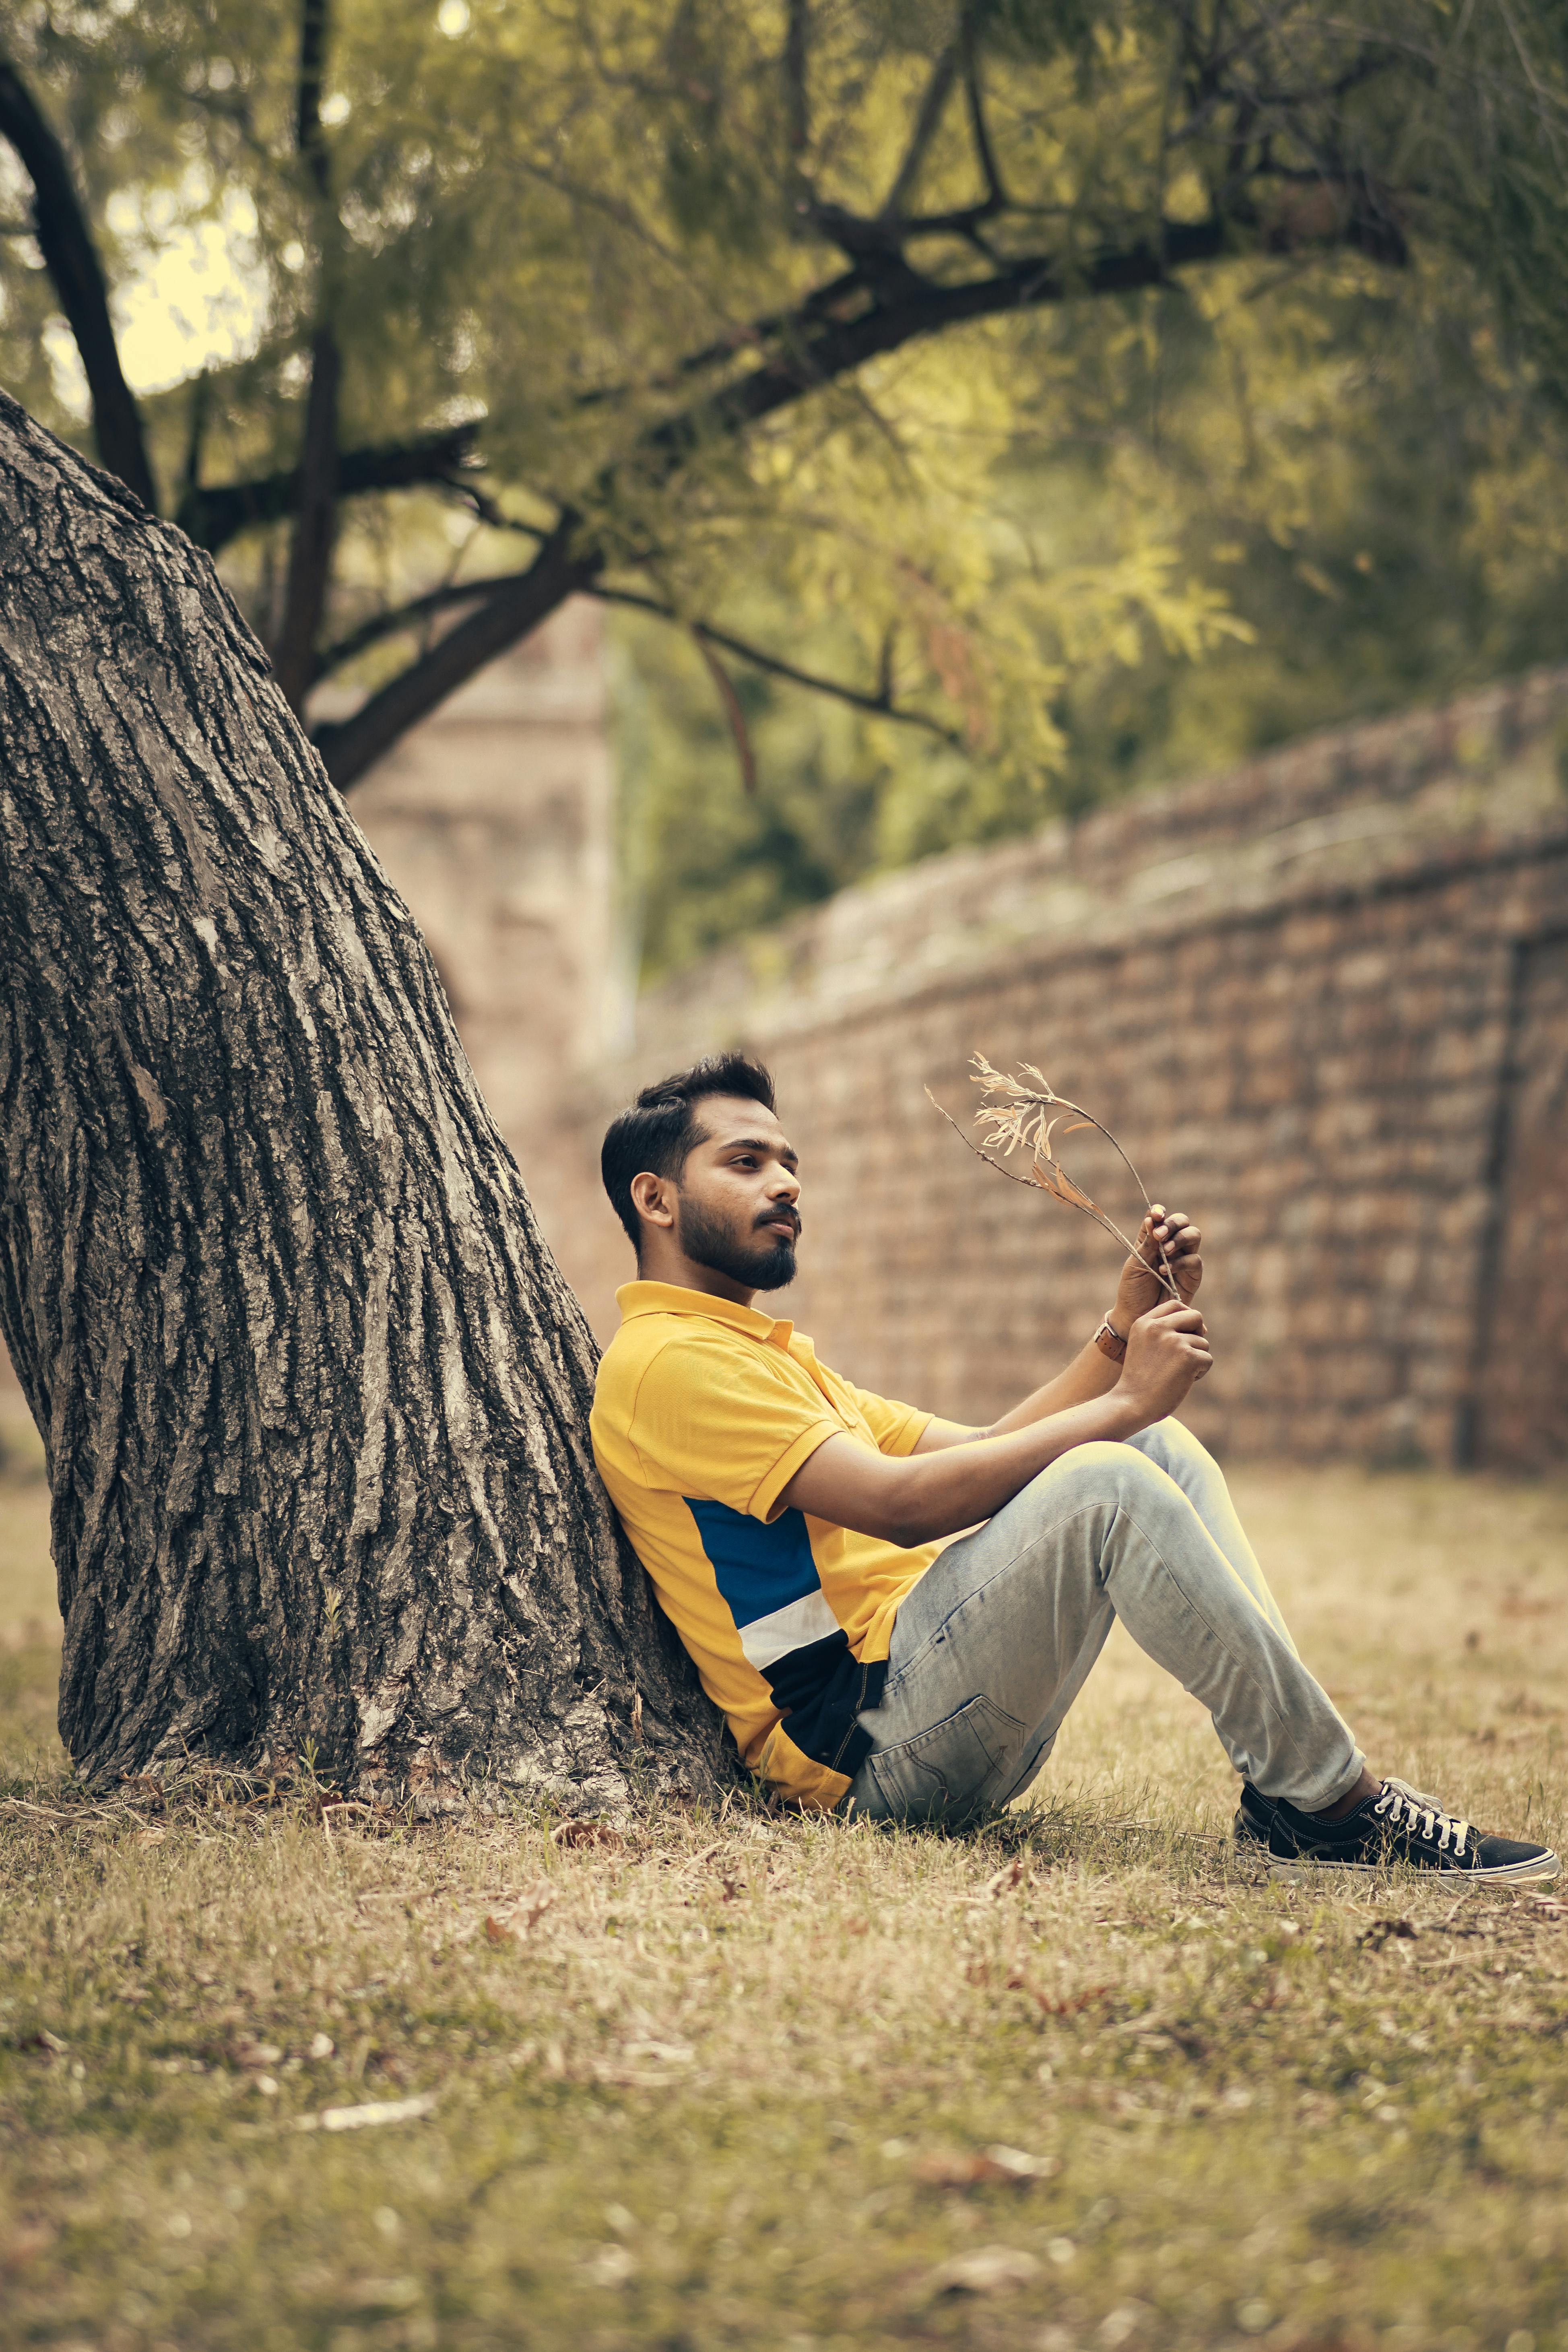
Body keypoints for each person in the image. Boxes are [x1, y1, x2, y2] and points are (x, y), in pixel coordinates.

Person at [589, 1053, 1558, 1883]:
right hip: (862, 1750)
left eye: (790, 1162)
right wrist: (1125, 1400)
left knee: (1144, 1449)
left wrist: (1118, 1331)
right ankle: (1332, 1803)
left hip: (917, 1690)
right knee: (1112, 1470)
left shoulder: (751, 1350)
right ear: (656, 1197)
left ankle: (1287, 1793)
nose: (787, 1183)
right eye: (746, 1162)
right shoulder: (672, 1364)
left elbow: (976, 1453)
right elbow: (901, 1507)